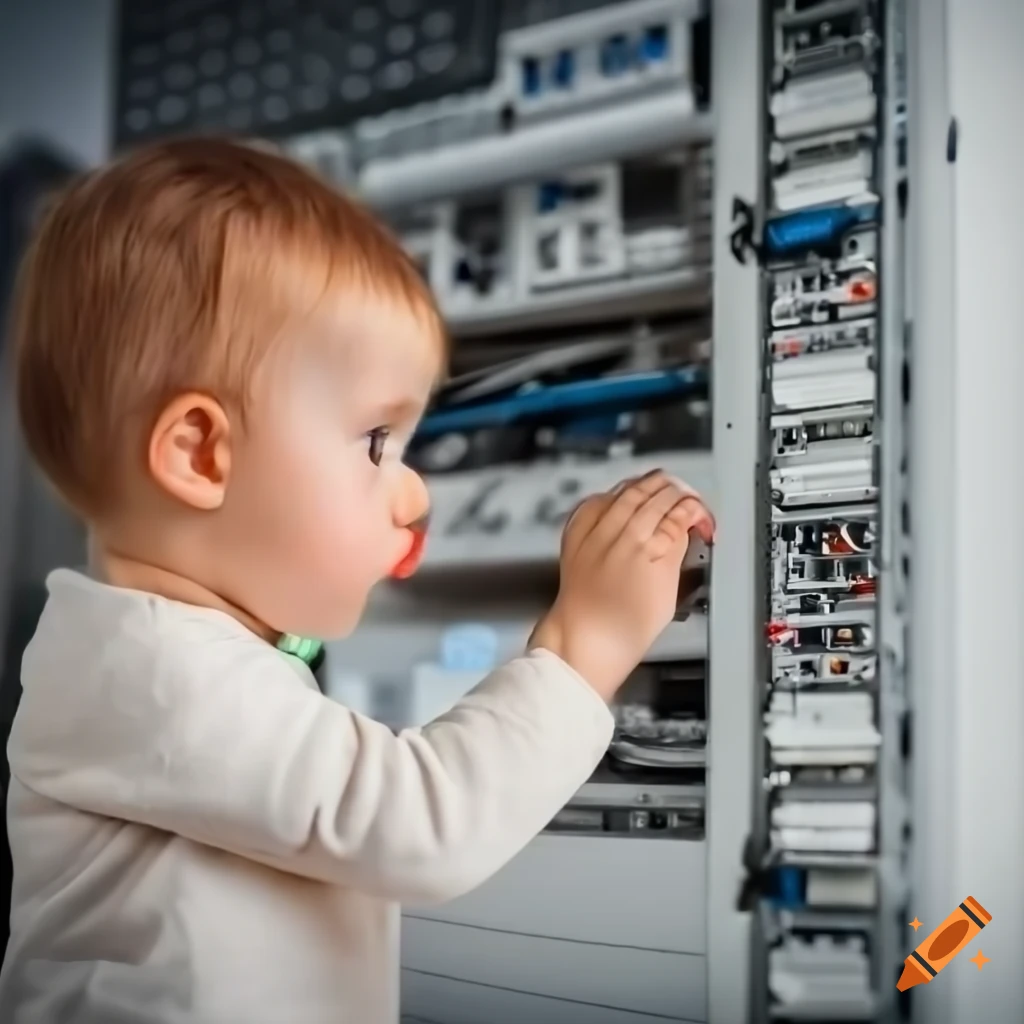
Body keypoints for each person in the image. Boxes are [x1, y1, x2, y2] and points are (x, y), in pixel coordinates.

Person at [0, 137, 714, 1024]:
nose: (412, 491)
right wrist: (585, 644)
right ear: (202, 454)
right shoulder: (149, 672)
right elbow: (421, 825)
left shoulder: (181, 661)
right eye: (377, 443)